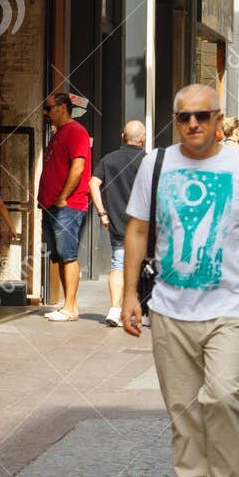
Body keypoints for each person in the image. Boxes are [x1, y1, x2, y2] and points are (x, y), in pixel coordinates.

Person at [121, 84, 239, 477]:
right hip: (169, 310)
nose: (192, 124)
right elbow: (136, 229)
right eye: (184, 117)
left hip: (228, 309)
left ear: (218, 119)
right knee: (184, 412)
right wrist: (129, 294)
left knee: (224, 399)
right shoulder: (156, 164)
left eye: (202, 116)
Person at [88, 120, 148, 327]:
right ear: (143, 139)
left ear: (123, 136)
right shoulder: (148, 162)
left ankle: (114, 309)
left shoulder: (109, 160)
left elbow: (93, 183)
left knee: (118, 264)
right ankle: (142, 311)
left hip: (118, 222)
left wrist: (102, 213)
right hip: (144, 225)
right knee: (144, 266)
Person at [38, 90, 91, 322]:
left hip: (67, 206)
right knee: (60, 255)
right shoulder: (59, 134)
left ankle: (69, 308)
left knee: (68, 254)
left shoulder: (76, 132)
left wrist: (62, 197)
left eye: (48, 108)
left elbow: (78, 168)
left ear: (61, 108)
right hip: (53, 205)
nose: (46, 113)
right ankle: (69, 306)